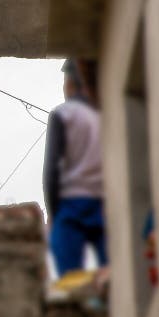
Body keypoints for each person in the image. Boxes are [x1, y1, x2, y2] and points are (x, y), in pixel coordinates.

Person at [43, 59, 107, 281]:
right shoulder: (103, 116)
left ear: (70, 84)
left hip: (72, 203)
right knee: (112, 274)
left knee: (71, 279)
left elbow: (52, 170)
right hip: (103, 204)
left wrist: (53, 214)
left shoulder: (63, 114)